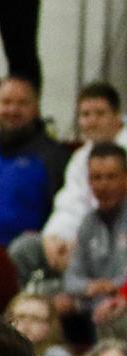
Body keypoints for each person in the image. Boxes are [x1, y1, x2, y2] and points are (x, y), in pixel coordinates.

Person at [24, 81, 125, 286]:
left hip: (116, 236)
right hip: (85, 237)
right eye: (85, 115)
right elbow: (71, 204)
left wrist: (80, 241)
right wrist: (55, 237)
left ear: (117, 116)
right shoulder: (80, 158)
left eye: (100, 114)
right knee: (25, 248)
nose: (92, 121)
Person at [0, 76, 67, 250]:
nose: (12, 110)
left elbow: (62, 214)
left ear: (36, 108)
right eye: (6, 102)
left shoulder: (52, 156)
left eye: (22, 103)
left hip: (24, 255)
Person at [56, 141, 127, 332]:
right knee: (53, 302)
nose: (103, 185)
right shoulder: (88, 223)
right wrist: (91, 287)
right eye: (97, 177)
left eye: (111, 177)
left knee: (111, 310)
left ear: (125, 179)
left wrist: (113, 289)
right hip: (94, 300)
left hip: (121, 301)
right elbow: (71, 278)